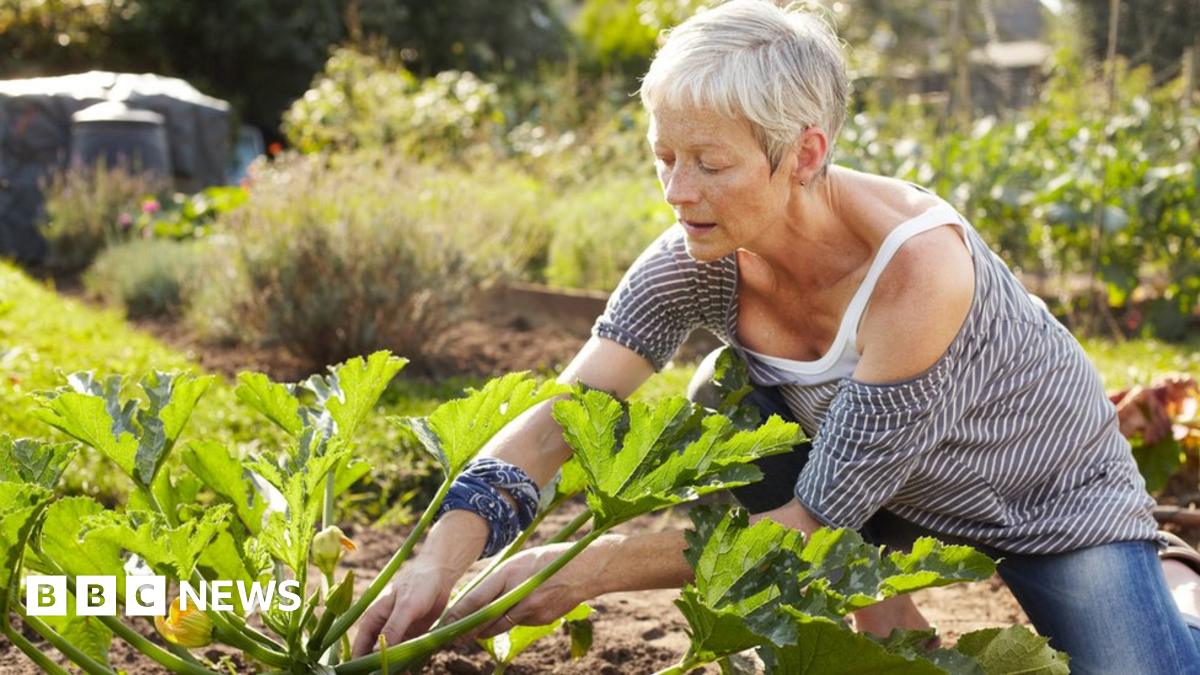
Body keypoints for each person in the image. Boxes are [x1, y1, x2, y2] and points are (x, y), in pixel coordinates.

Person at [351, 1, 1200, 672]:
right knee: (722, 393)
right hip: (880, 491)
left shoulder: (916, 272)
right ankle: (883, 614)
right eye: (663, 156)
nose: (677, 191)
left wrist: (589, 567)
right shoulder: (695, 256)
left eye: (710, 163)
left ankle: (1175, 580)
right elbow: (558, 422)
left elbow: (811, 521)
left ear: (804, 152)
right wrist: (436, 560)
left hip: (1047, 499)